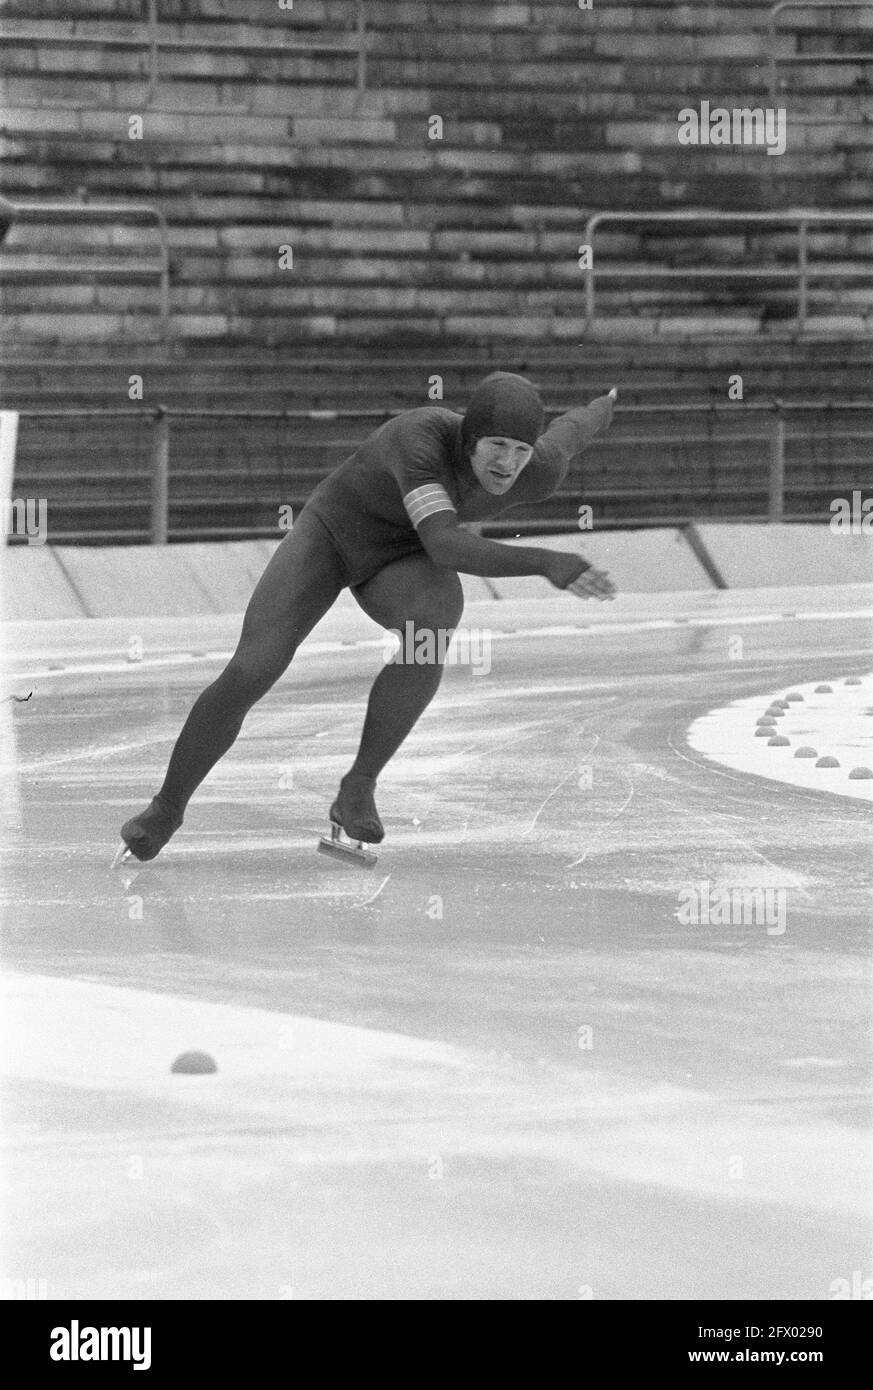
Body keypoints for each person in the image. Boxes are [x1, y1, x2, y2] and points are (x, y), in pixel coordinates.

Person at [118, 371, 616, 862]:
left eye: (521, 450)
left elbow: (575, 429)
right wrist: (549, 562)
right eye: (497, 445)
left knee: (433, 627)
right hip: (334, 535)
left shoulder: (539, 468)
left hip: (402, 556)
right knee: (253, 669)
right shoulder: (421, 440)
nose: (508, 464)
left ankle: (357, 786)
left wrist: (609, 401)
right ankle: (165, 809)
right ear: (469, 439)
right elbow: (444, 544)